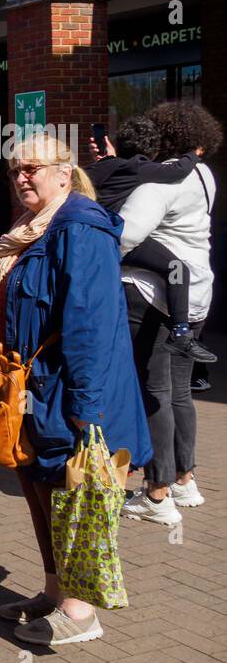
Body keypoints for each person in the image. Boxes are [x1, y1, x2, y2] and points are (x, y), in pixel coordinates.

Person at [0, 134, 152, 645]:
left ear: (64, 174)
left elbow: (89, 325)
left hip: (70, 393)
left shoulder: (80, 229)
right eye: (15, 170)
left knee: (74, 497)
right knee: (39, 491)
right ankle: (53, 590)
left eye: (33, 168)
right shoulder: (29, 230)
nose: (22, 177)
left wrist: (85, 407)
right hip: (30, 389)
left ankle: (80, 613)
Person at [114, 103, 222, 523]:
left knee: (153, 390)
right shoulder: (202, 173)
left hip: (153, 297)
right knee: (179, 391)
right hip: (197, 292)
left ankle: (156, 495)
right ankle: (184, 479)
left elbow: (125, 236)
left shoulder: (157, 184)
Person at [88, 115, 217, 363]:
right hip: (116, 237)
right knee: (177, 268)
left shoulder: (99, 167)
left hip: (95, 237)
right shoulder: (139, 167)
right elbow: (178, 170)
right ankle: (181, 333)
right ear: (154, 149)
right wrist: (193, 153)